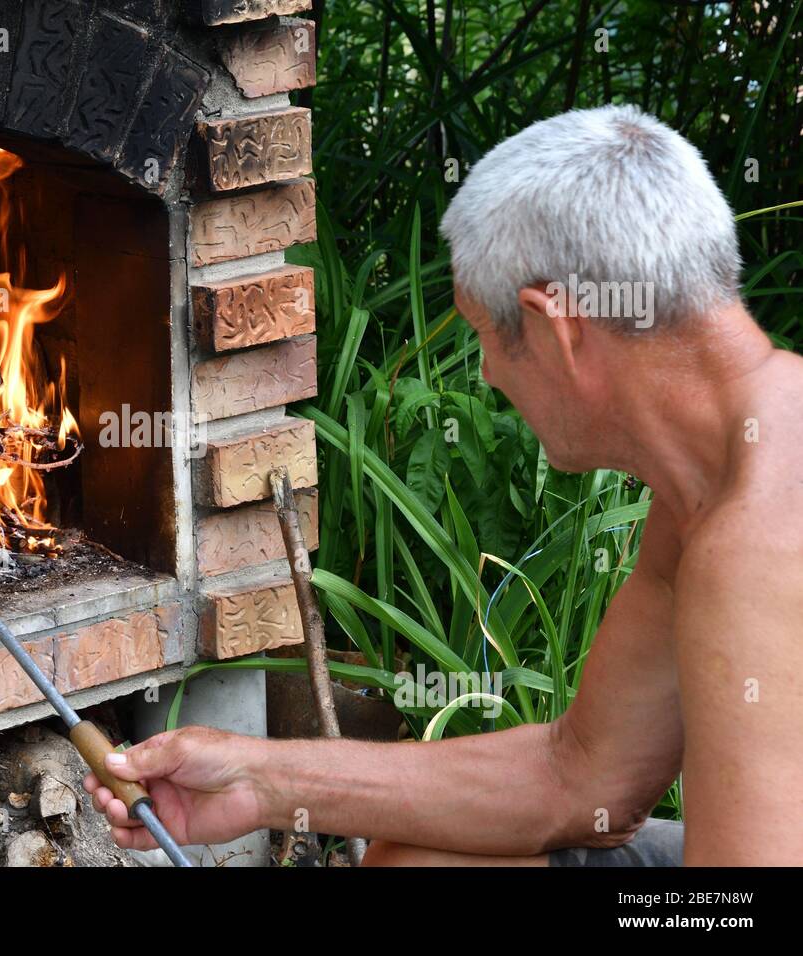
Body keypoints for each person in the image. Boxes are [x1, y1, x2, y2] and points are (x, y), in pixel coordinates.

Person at [84, 105, 802, 866]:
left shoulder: (758, 541)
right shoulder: (712, 480)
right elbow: (581, 776)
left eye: (485, 338)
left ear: (555, 330)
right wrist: (259, 779)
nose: (488, 374)